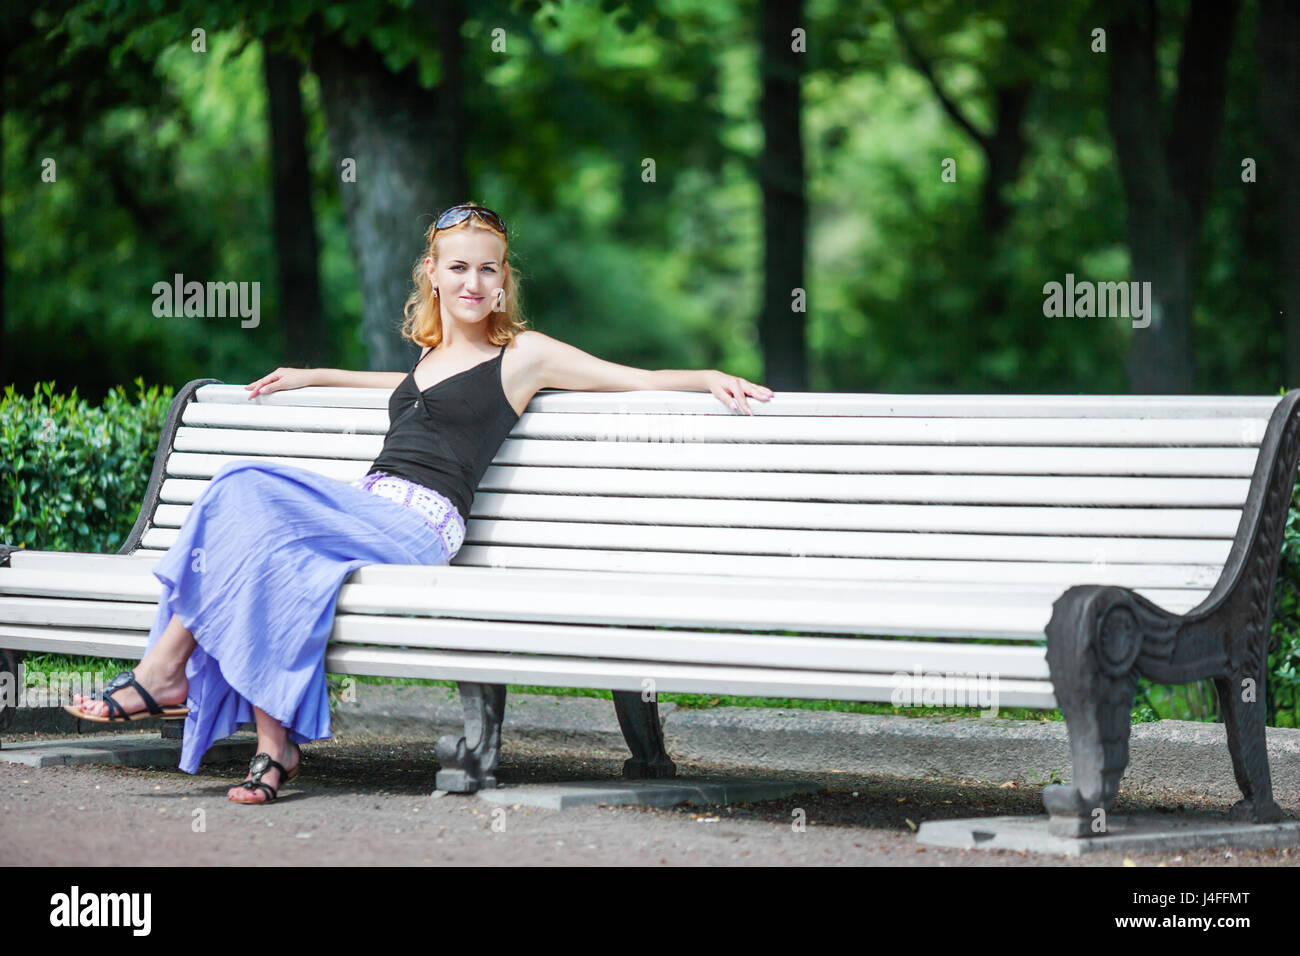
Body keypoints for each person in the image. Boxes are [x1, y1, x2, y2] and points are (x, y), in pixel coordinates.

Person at [66, 202, 773, 804]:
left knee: (244, 489)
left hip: (420, 525)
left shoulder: (522, 355)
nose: (474, 280)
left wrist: (706, 375)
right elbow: (398, 385)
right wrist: (313, 374)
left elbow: (631, 379)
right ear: (431, 275)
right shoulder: (427, 358)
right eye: (458, 266)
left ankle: (163, 673)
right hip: (369, 507)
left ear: (504, 282)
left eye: (488, 268)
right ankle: (274, 747)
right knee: (261, 534)